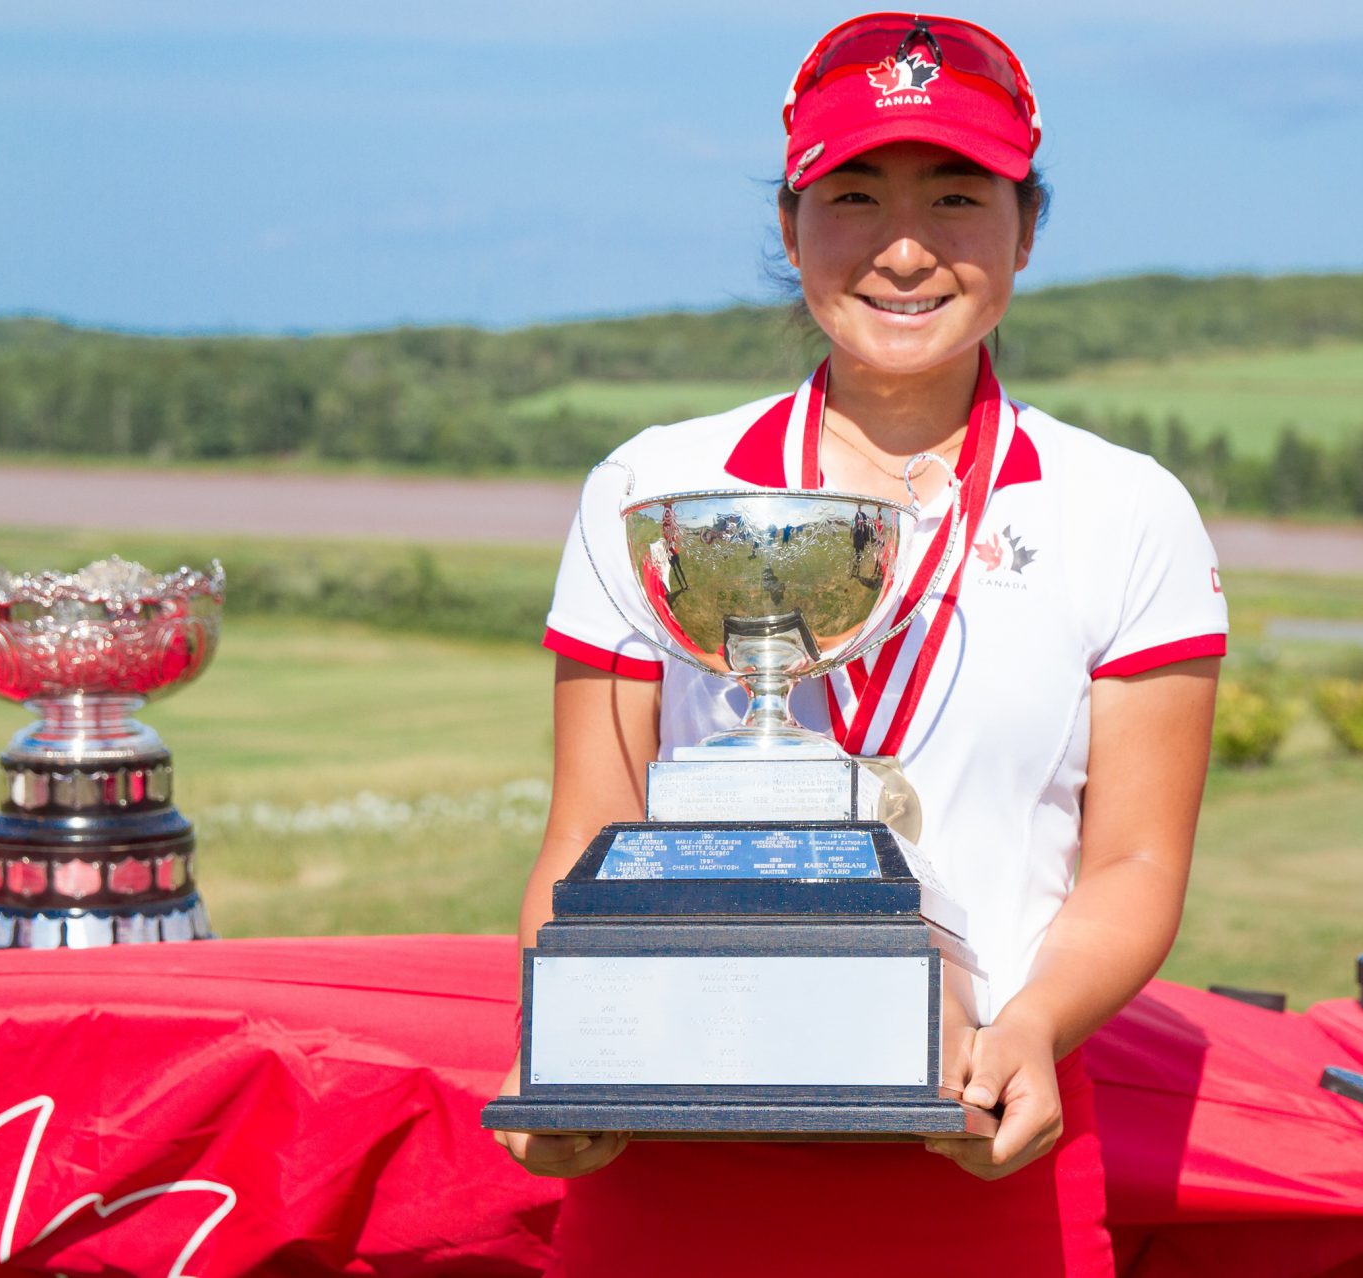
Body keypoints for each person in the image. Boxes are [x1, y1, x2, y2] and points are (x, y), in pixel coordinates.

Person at [491, 13, 1226, 1275]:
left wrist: (1036, 1026)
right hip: (678, 1148)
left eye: (955, 195)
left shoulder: (1124, 508)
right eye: (853, 195)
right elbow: (585, 831)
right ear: (789, 228)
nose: (903, 248)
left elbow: (1138, 862)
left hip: (983, 1135)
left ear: (1026, 231)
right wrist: (567, 1036)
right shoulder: (657, 485)